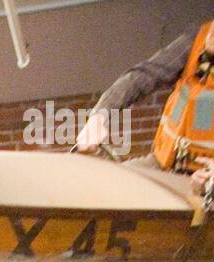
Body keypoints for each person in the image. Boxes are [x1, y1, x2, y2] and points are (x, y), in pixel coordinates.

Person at [76, 21, 214, 200]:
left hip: (204, 182)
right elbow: (143, 76)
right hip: (163, 164)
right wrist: (99, 117)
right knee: (105, 186)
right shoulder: (198, 38)